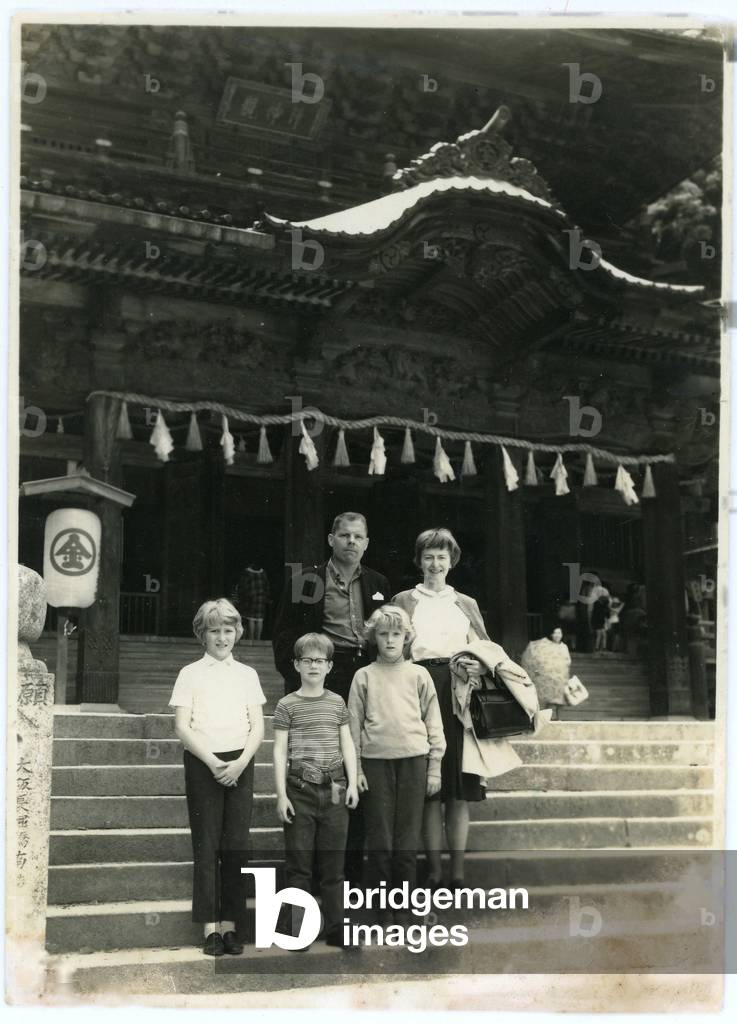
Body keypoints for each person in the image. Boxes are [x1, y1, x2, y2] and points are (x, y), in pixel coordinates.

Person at [272, 511, 390, 884]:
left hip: (364, 674)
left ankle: (347, 875)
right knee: (316, 768)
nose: (351, 541)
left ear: (366, 543)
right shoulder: (307, 580)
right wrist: (303, 683)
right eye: (344, 535)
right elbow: (284, 634)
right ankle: (307, 877)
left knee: (356, 766)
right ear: (331, 539)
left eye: (358, 536)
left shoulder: (378, 583)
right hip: (323, 672)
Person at [392, 528, 488, 890]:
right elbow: (391, 647)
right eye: (429, 557)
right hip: (416, 688)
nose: (435, 564)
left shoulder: (465, 603)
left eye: (442, 557)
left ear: (452, 561)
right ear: (419, 561)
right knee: (429, 790)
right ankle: (433, 871)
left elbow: (485, 649)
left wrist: (478, 664)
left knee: (458, 789)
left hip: (459, 691)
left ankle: (457, 873)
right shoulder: (404, 600)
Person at [170, 598, 266, 957]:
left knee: (236, 844)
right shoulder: (190, 673)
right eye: (214, 631)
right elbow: (182, 726)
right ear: (202, 634)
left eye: (228, 630)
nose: (222, 637)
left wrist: (240, 763)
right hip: (203, 762)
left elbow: (257, 727)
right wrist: (212, 763)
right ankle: (210, 927)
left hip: (240, 762)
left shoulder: (247, 675)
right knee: (207, 845)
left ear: (237, 632)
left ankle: (231, 925)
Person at [348, 606, 445, 919]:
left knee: (407, 841)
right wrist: (356, 770)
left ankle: (403, 911)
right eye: (383, 634)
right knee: (380, 840)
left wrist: (434, 767)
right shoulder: (363, 676)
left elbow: (433, 722)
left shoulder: (419, 675)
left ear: (406, 638)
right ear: (373, 637)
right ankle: (381, 912)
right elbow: (353, 726)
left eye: (396, 634)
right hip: (375, 763)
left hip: (414, 762)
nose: (390, 640)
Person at [272, 632, 359, 948]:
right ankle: (298, 929)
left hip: (335, 789)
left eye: (319, 660)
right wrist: (281, 795)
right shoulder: (287, 705)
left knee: (334, 866)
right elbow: (280, 750)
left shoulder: (337, 702)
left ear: (329, 666)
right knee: (299, 866)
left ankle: (336, 927)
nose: (313, 665)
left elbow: (347, 744)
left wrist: (352, 783)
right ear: (296, 665)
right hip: (300, 790)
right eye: (306, 660)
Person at [521, 626, 572, 719]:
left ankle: (559, 719)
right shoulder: (544, 646)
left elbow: (568, 661)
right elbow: (537, 657)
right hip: (549, 679)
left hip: (561, 679)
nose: (557, 635)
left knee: (561, 702)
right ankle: (547, 719)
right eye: (555, 633)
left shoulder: (564, 646)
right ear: (551, 634)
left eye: (559, 633)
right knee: (549, 701)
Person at [233, 563, 271, 643]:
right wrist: (266, 596)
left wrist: (243, 597)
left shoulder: (247, 572)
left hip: (250, 598)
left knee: (251, 618)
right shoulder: (263, 573)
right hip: (261, 598)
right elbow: (267, 586)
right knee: (259, 619)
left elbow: (243, 586)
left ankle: (252, 639)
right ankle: (258, 639)